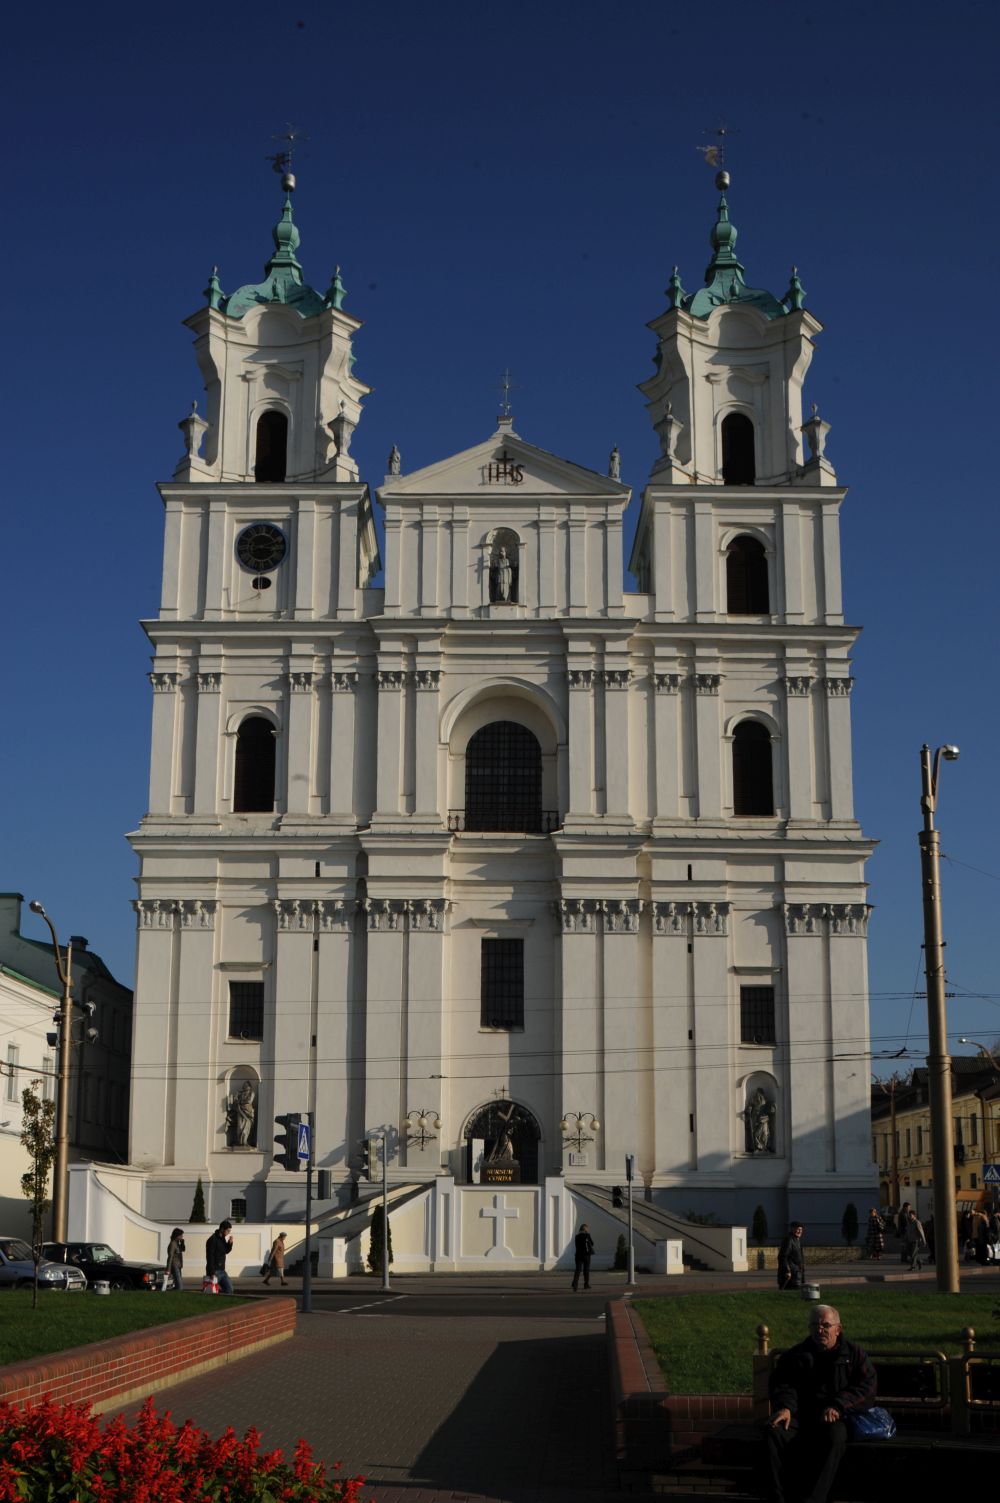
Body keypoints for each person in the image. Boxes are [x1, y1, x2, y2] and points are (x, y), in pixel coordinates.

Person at [762, 1303, 876, 1503]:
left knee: (835, 1437)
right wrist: (786, 1407)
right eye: (814, 1325)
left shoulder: (854, 1355)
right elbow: (783, 1384)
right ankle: (777, 1498)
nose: (819, 1330)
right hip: (800, 1415)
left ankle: (813, 1499)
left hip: (833, 1417)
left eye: (825, 1325)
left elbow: (866, 1388)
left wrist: (839, 1406)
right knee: (774, 1431)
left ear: (838, 1329)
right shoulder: (796, 1355)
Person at [206, 1218, 234, 1294]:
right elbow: (210, 1257)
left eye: (229, 1231)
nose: (229, 1232)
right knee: (212, 1291)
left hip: (222, 1270)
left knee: (230, 1289)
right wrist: (212, 1273)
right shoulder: (212, 1240)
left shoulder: (222, 1239)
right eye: (228, 1230)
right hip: (215, 1271)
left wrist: (230, 1243)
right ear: (222, 1229)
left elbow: (226, 1251)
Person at [777, 1222, 804, 1290]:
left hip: (796, 1275)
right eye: (798, 1229)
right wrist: (787, 1271)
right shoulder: (789, 1240)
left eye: (801, 1229)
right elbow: (782, 1257)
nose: (800, 1231)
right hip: (791, 1276)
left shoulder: (796, 1240)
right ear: (792, 1229)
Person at [571, 1223, 595, 1291]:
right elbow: (592, 1243)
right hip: (586, 1255)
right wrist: (587, 1234)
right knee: (586, 1270)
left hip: (578, 1255)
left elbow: (577, 1245)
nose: (588, 1229)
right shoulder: (587, 1235)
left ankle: (575, 1285)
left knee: (577, 1270)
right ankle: (586, 1284)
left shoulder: (577, 1236)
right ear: (585, 1229)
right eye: (587, 1228)